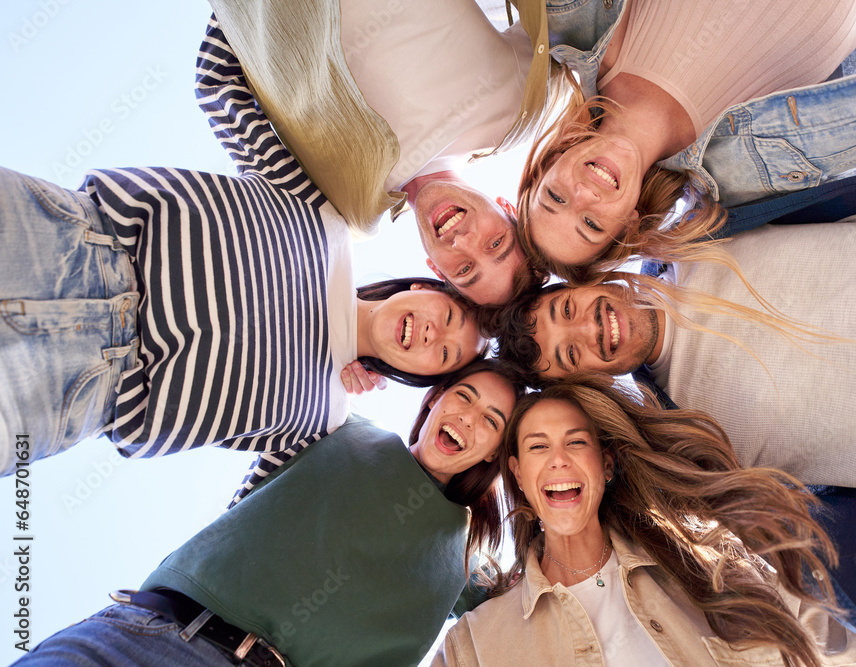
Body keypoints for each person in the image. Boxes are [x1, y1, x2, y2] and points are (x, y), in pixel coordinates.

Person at [0, 22, 491, 480]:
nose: (432, 333)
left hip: (73, 392)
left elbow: (248, 534)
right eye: (447, 315)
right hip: (65, 240)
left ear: (419, 378)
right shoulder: (325, 220)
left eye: (445, 354)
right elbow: (221, 86)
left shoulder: (324, 422)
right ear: (421, 286)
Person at [495, 203, 856, 522]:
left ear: (583, 282)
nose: (588, 328)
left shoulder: (698, 226)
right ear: (585, 382)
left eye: (566, 309)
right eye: (569, 354)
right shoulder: (693, 440)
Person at [13, 361, 521, 667]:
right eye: (462, 396)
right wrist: (340, 363)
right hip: (142, 634)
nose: (466, 419)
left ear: (494, 455)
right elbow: (251, 391)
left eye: (491, 422)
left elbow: (545, 600)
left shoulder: (467, 556)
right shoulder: (339, 425)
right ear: (433, 399)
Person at [516, 0, 856, 282]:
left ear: (551, 161)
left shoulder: (583, 30)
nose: (583, 195)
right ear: (630, 222)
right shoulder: (736, 169)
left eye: (555, 197)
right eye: (590, 224)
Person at [434, 376, 856, 666]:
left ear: (606, 466)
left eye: (576, 443)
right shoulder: (474, 646)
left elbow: (835, 648)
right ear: (516, 472)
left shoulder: (711, 560)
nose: (558, 460)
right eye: (537, 447)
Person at [203, 0, 557, 305]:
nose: (463, 239)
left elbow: (216, 87)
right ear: (509, 208)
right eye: (496, 243)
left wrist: (244, 13)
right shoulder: (517, 110)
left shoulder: (341, 213)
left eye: (465, 269)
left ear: (435, 269)